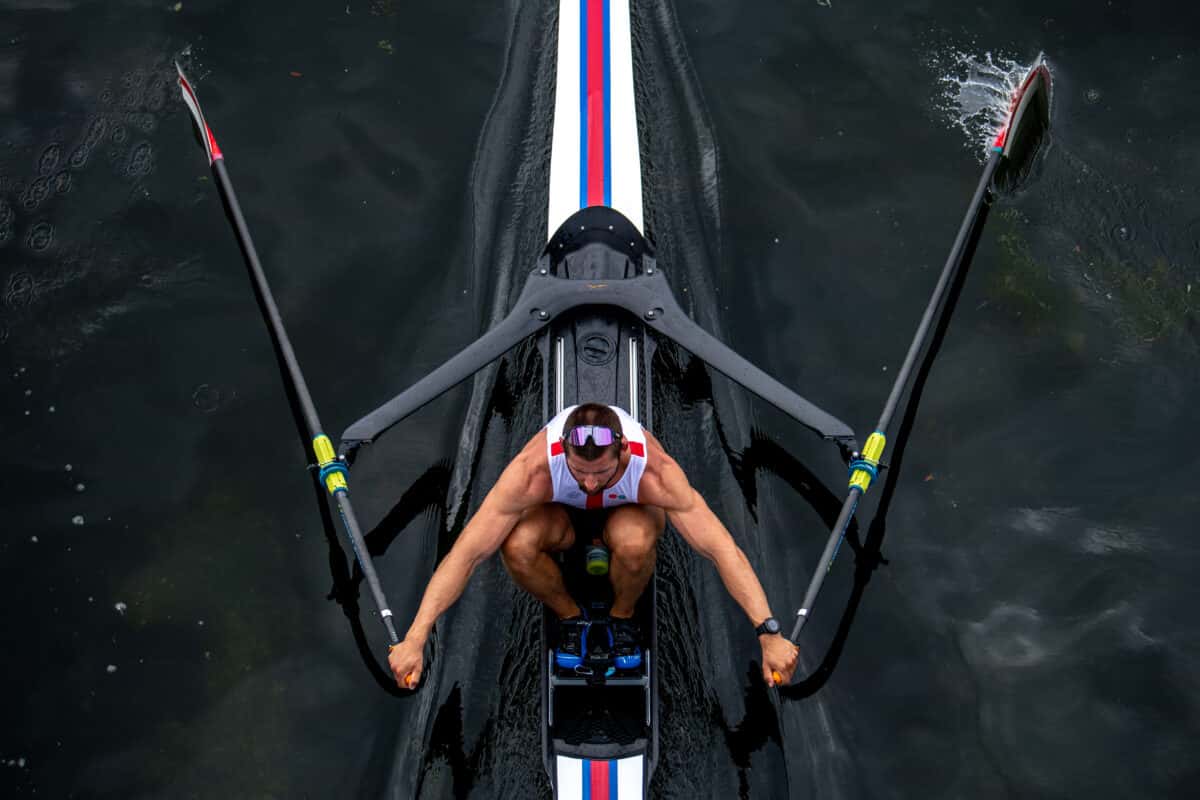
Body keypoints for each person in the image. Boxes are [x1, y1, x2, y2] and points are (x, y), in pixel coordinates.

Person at [386, 402, 799, 688]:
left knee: (634, 543)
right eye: (578, 470)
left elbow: (721, 548)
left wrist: (768, 633)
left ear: (622, 450)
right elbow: (468, 553)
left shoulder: (656, 472)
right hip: (561, 519)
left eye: (600, 472)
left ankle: (622, 618)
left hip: (631, 513)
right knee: (517, 546)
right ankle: (571, 620)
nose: (588, 482)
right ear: (563, 449)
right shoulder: (532, 472)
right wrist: (416, 637)